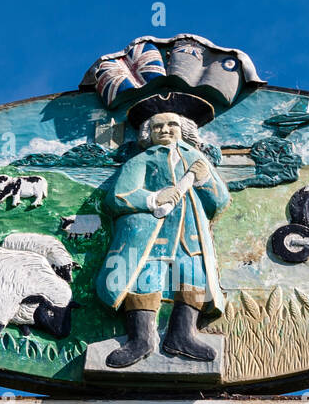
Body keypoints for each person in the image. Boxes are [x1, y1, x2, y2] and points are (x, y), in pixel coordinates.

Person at [96, 94, 229, 367]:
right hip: (152, 234)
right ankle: (140, 340)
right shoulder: (142, 160)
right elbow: (118, 196)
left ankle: (182, 335)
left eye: (171, 125)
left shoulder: (197, 161)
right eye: (157, 126)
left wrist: (203, 180)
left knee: (192, 277)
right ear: (148, 133)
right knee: (146, 279)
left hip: (189, 231)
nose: (165, 130)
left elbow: (219, 201)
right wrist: (154, 198)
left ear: (184, 130)